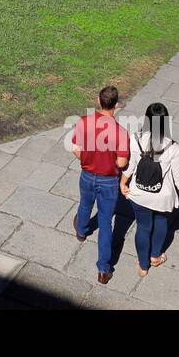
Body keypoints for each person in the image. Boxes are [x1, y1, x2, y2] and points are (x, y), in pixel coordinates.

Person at [120, 103, 179, 277]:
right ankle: (155, 256)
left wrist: (123, 182)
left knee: (143, 227)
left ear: (146, 120)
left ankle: (143, 266)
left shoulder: (135, 139)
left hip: (139, 194)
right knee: (161, 223)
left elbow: (130, 166)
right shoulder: (173, 147)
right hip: (162, 197)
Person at [69, 85, 130, 285]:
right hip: (109, 181)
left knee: (85, 205)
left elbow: (76, 149)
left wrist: (86, 158)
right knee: (105, 222)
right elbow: (121, 163)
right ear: (117, 105)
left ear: (98, 100)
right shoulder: (120, 132)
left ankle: (82, 231)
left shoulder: (84, 122)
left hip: (87, 175)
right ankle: (104, 269)